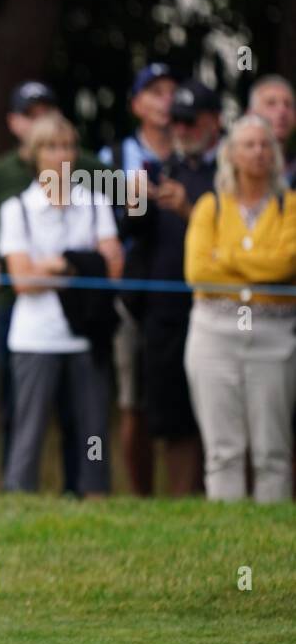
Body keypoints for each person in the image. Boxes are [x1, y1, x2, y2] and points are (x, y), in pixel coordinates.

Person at [0, 80, 106, 490]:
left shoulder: (90, 172)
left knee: (81, 418)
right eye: (31, 114)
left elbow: (123, 223)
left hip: (83, 320)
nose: (60, 154)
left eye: (65, 144)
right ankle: (18, 490)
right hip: (21, 314)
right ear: (15, 124)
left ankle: (81, 491)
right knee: (23, 412)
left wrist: (63, 266)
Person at [0, 113, 123, 496]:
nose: (62, 155)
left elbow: (113, 269)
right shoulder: (17, 208)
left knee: (92, 429)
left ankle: (96, 499)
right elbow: (22, 281)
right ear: (34, 154)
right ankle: (19, 498)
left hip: (86, 333)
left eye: (68, 146)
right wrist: (80, 265)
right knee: (29, 427)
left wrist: (55, 265)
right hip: (36, 336)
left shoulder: (95, 202)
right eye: (52, 147)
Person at [184, 115, 296, 502]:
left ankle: (269, 533)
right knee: (222, 449)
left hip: (274, 335)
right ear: (230, 154)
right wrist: (259, 270)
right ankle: (228, 531)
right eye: (248, 145)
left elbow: (286, 265)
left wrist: (227, 257)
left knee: (273, 450)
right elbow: (199, 272)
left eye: (265, 145)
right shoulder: (209, 207)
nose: (258, 152)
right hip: (214, 334)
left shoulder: (289, 205)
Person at [121, 80, 220, 495]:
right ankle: (182, 502)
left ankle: (231, 505)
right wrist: (135, 206)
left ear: (214, 120)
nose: (181, 128)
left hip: (220, 312)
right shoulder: (159, 170)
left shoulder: (232, 171)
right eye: (175, 121)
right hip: (164, 315)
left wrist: (188, 210)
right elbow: (135, 236)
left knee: (220, 415)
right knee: (171, 417)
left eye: (190, 120)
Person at [99, 63, 176, 496]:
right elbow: (104, 229)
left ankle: (192, 495)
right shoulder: (112, 158)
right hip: (132, 294)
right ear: (136, 104)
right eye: (155, 92)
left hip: (184, 289)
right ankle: (142, 497)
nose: (165, 100)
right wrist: (134, 205)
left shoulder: (199, 154)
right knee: (134, 400)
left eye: (171, 91)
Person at [247, 74, 296, 184]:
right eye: (271, 103)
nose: (282, 111)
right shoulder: (236, 173)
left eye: (288, 104)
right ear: (251, 114)